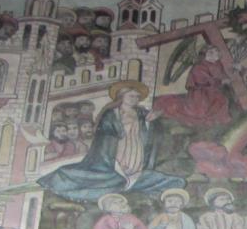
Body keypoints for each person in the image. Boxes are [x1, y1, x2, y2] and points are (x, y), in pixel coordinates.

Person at [38, 81, 184, 202]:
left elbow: (151, 126)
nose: (135, 99)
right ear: (122, 96)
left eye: (137, 96)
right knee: (98, 175)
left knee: (141, 174)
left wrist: (150, 122)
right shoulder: (111, 114)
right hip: (116, 150)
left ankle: (129, 177)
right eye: (131, 95)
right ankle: (119, 175)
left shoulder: (141, 112)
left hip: (136, 149)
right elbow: (105, 139)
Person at [151, 46, 234, 130]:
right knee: (197, 113)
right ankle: (164, 107)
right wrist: (220, 82)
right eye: (212, 52)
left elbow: (223, 75)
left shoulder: (217, 65)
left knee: (222, 100)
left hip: (211, 92)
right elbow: (202, 80)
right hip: (200, 94)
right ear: (206, 55)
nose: (216, 53)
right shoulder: (199, 67)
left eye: (216, 51)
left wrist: (230, 75)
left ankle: (220, 123)